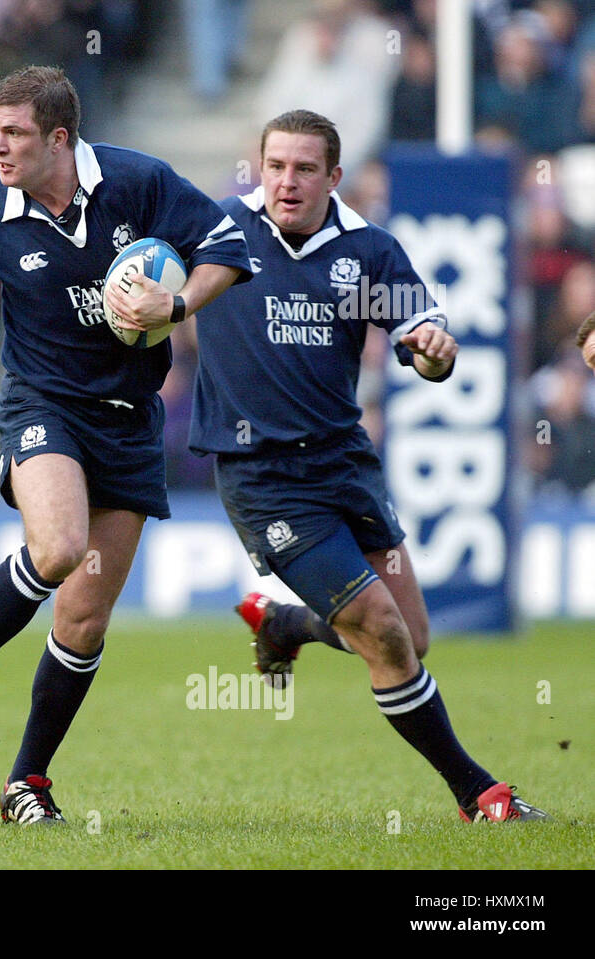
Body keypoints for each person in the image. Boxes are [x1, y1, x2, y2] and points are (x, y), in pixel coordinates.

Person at [0, 65, 250, 824]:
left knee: (82, 621)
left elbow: (230, 247)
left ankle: (27, 782)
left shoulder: (139, 182)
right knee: (56, 547)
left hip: (129, 418)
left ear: (58, 137)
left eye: (13, 133)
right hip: (42, 403)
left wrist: (175, 302)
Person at [189, 109, 547, 823]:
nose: (287, 182)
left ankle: (287, 626)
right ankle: (479, 793)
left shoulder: (369, 251)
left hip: (344, 465)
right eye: (277, 166)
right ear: (261, 168)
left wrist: (433, 350)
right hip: (261, 475)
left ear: (334, 177)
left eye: (304, 169)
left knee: (408, 637)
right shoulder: (219, 230)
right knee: (380, 628)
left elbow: (422, 337)